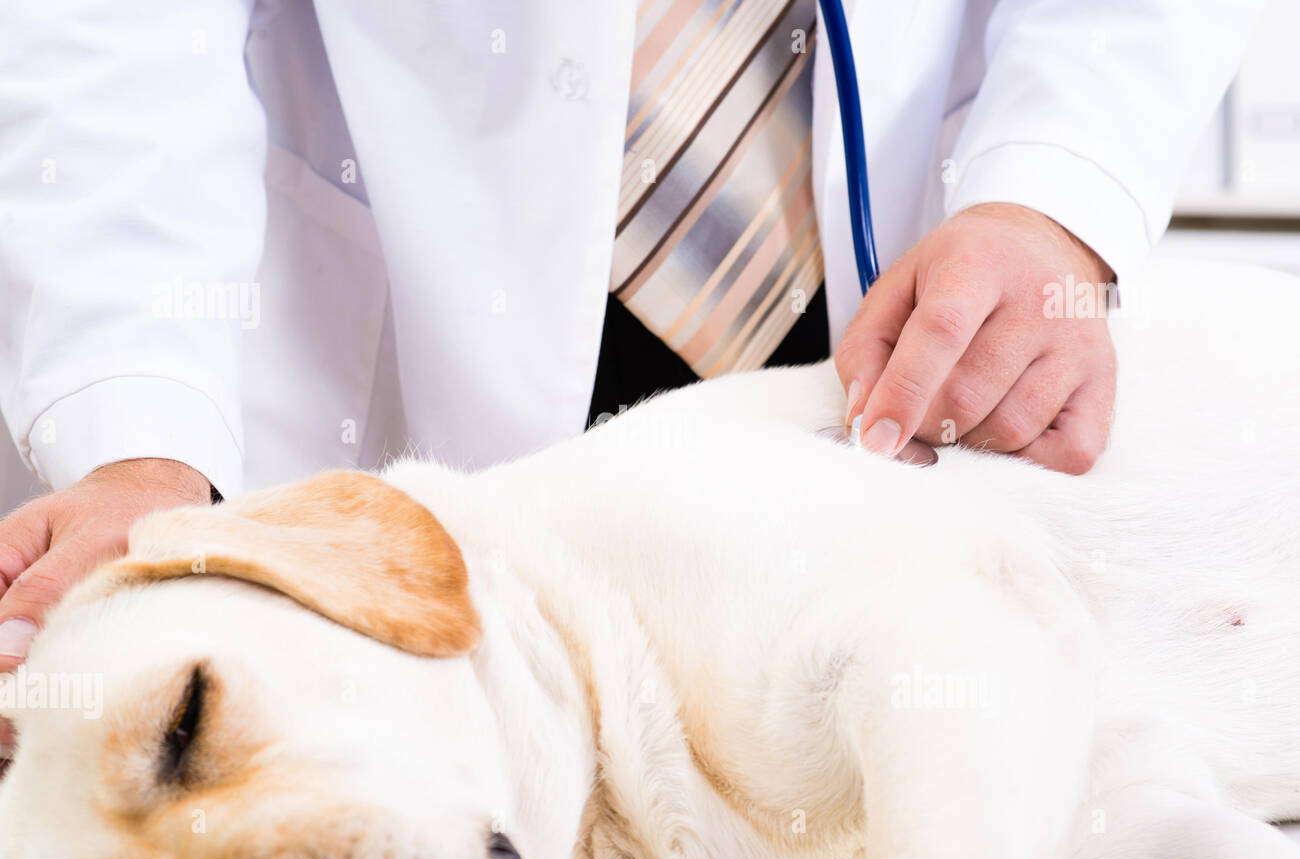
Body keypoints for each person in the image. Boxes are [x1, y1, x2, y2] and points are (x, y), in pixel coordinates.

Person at [0, 0, 1259, 693]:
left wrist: (1056, 190)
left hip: (899, 326)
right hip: (374, 378)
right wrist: (140, 437)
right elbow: (112, 31)